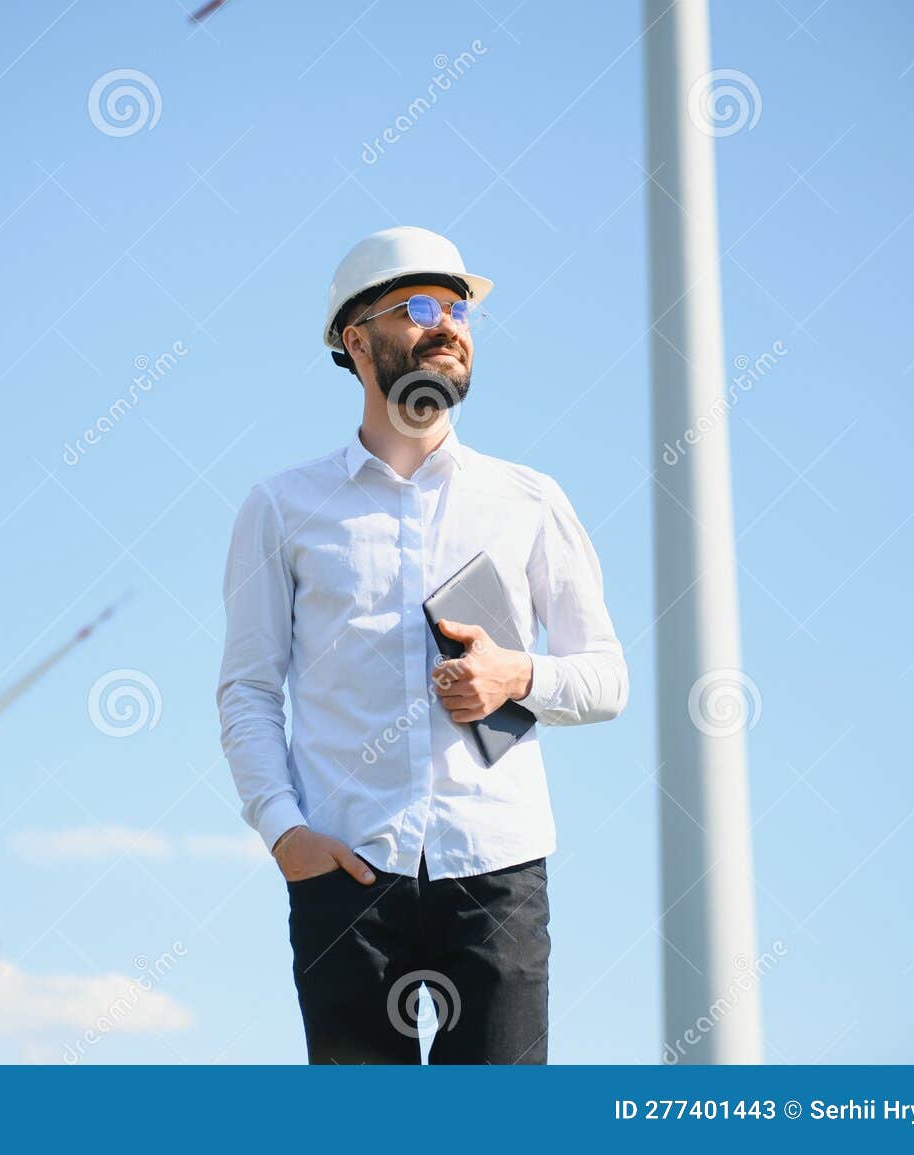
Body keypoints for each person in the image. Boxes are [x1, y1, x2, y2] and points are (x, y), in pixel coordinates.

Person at [216, 225, 629, 1064]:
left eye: (460, 309)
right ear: (356, 339)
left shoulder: (530, 499)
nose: (448, 323)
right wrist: (286, 834)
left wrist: (517, 673)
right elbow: (248, 692)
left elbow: (607, 677)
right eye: (419, 305)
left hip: (500, 872)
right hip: (346, 874)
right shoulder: (281, 506)